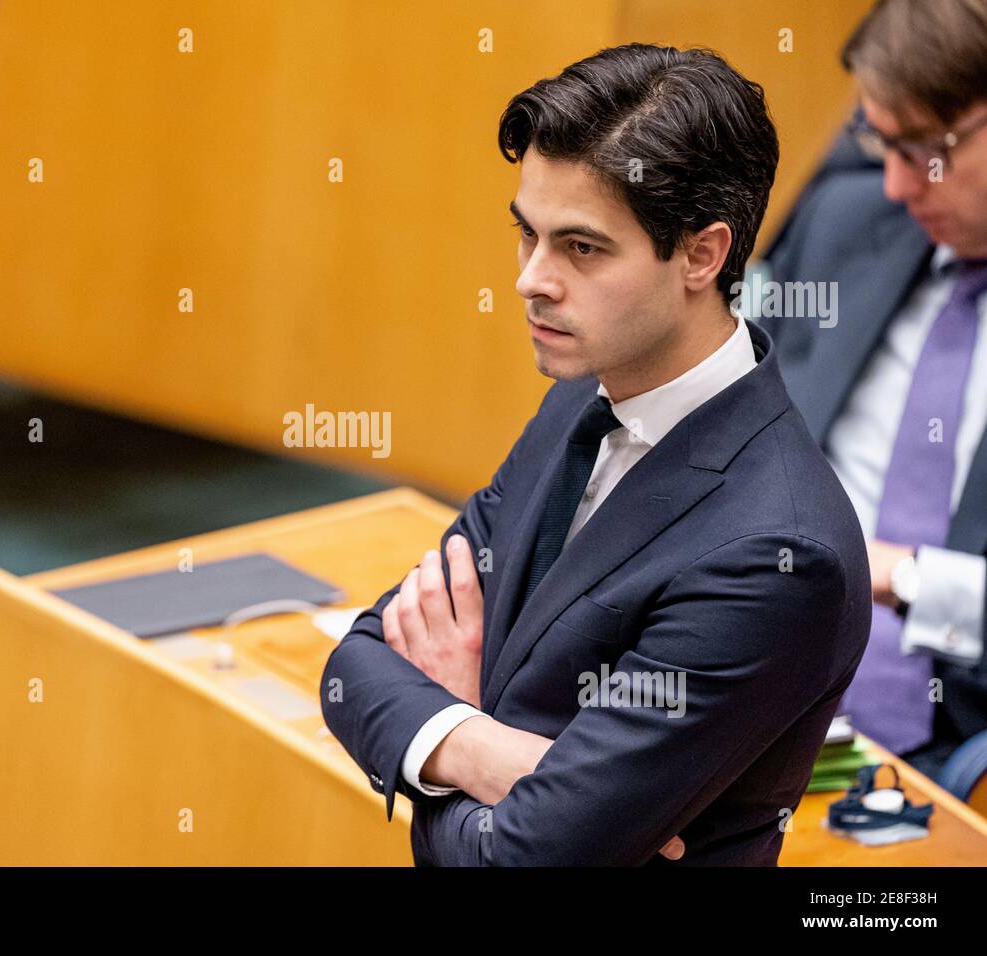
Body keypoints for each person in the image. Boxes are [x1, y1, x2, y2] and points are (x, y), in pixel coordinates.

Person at [319, 43, 871, 865]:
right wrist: (491, 750)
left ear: (701, 254)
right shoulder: (579, 400)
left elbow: (525, 858)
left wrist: (446, 732)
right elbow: (359, 661)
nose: (531, 280)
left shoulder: (781, 552)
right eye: (527, 235)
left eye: (581, 248)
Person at [759, 0, 987, 777]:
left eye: (923, 149)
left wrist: (905, 577)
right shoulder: (844, 225)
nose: (893, 184)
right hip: (755, 686)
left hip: (955, 743)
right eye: (879, 144)